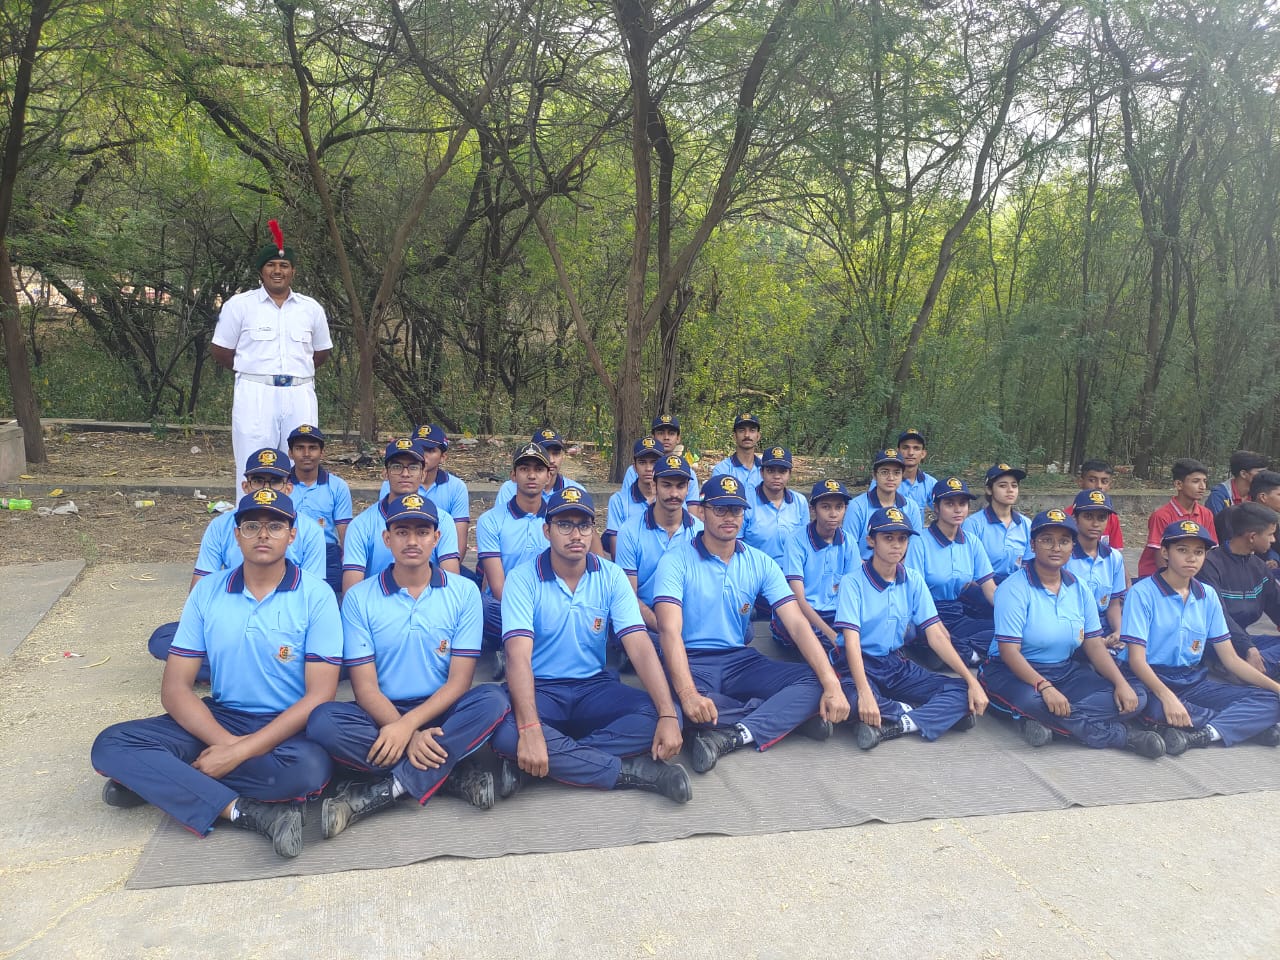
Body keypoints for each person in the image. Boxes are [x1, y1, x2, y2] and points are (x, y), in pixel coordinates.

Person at [92, 489, 341, 858]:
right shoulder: (208, 590)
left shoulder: (316, 594)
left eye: (275, 526)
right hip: (221, 717)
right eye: (252, 526)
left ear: (292, 535)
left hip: (287, 726)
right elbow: (175, 688)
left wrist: (240, 752)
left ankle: (161, 780)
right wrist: (229, 747)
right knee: (112, 744)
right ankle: (244, 811)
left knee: (307, 770)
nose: (263, 535)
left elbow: (320, 696)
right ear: (236, 534)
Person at [305, 495, 511, 838]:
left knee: (493, 700)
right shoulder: (359, 598)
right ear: (387, 539)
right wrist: (405, 731)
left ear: (436, 537)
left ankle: (387, 790)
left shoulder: (464, 593)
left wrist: (409, 729)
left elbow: (460, 682)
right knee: (323, 721)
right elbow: (365, 688)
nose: (412, 541)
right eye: (402, 532)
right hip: (382, 713)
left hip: (443, 710)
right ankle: (450, 773)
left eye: (422, 532)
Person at [491, 488, 692, 802]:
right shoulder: (522, 579)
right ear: (547, 531)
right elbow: (517, 658)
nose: (576, 534)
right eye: (564, 525)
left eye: (584, 525)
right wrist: (529, 727)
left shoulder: (611, 575)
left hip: (594, 689)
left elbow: (640, 646)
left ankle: (539, 761)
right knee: (503, 730)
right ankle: (631, 770)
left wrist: (667, 714)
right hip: (541, 689)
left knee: (668, 715)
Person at [653, 475, 850, 773]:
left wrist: (832, 685)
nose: (729, 517)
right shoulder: (675, 560)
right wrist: (689, 695)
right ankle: (781, 716)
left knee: (818, 682)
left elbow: (797, 624)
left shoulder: (759, 562)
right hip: (691, 659)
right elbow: (669, 631)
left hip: (739, 660)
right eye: (720, 509)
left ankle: (731, 733)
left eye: (736, 510)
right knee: (680, 704)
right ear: (702, 511)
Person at [978, 509, 1163, 757]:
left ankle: (1049, 722)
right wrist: (1044, 687)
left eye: (1064, 541)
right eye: (1047, 540)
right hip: (1011, 672)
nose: (1056, 548)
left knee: (1136, 695)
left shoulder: (1079, 587)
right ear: (1033, 545)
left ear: (1072, 546)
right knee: (1034, 701)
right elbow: (1009, 652)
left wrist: (1120, 683)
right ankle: (1122, 736)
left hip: (1064, 670)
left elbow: (1094, 644)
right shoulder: (1013, 589)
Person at [145, 448, 327, 671]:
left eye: (275, 482)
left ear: (289, 488)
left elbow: (312, 598)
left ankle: (229, 668)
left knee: (333, 646)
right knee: (163, 639)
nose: (266, 490)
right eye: (258, 481)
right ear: (245, 487)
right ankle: (266, 668)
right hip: (231, 618)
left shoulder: (309, 530)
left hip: (286, 624)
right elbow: (200, 589)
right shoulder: (221, 525)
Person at [1120, 519, 1280, 751]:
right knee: (1148, 705)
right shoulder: (1142, 593)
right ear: (1165, 552)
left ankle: (1205, 733)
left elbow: (1231, 659)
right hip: (1148, 678)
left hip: (1190, 680)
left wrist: (1276, 688)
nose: (1191, 558)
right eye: (1182, 550)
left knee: (1270, 700)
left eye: (1198, 552)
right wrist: (1167, 696)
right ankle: (1240, 726)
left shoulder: (1207, 595)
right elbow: (1137, 660)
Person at [836, 507, 988, 749]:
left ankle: (897, 723)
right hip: (859, 663)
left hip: (895, 664)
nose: (896, 545)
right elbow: (851, 642)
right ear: (871, 541)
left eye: (902, 538)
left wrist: (971, 680)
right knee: (850, 701)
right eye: (888, 538)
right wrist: (864, 692)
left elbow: (936, 635)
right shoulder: (852, 582)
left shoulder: (913, 579)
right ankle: (919, 712)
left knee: (963, 690)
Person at [211, 220, 333, 487]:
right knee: (253, 459)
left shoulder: (311, 308)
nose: (278, 271)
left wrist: (295, 372)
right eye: (271, 265)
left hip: (299, 392)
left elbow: (321, 352)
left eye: (284, 265)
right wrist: (253, 370)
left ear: (293, 271)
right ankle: (250, 513)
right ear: (261, 271)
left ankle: (296, 513)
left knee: (301, 461)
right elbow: (221, 350)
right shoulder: (239, 305)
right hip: (256, 393)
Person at [342, 439, 460, 595]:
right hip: (377, 602)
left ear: (423, 474)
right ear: (385, 473)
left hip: (430, 602)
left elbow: (452, 585)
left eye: (413, 467)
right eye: (397, 467)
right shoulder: (361, 525)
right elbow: (352, 592)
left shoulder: (442, 520)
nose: (405, 474)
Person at [475, 444, 554, 669]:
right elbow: (497, 586)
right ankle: (532, 647)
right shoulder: (490, 520)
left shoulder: (559, 519)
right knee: (478, 605)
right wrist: (524, 613)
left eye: (539, 469)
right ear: (513, 475)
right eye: (524, 469)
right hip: (505, 606)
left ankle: (512, 648)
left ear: (548, 476)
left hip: (550, 606)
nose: (531, 475)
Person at [905, 477, 997, 666]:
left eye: (962, 503)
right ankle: (960, 651)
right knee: (929, 635)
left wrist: (1014, 617)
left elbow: (990, 589)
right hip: (927, 614)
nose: (958, 509)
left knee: (1007, 631)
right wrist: (935, 627)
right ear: (936, 508)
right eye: (949, 504)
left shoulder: (971, 542)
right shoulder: (919, 542)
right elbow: (914, 595)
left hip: (957, 612)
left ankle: (961, 650)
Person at [615, 454, 703, 640]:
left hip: (686, 615)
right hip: (646, 617)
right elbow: (628, 595)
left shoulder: (700, 531)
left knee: (742, 629)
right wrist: (666, 630)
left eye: (680, 486)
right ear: (654, 486)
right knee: (628, 631)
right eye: (667, 485)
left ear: (688, 488)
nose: (674, 494)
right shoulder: (629, 531)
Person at [772, 479, 858, 652]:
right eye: (826, 507)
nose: (833, 514)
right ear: (813, 509)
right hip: (802, 610)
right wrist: (830, 634)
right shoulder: (796, 541)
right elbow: (798, 599)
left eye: (839, 507)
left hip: (835, 613)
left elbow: (854, 593)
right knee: (803, 633)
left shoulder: (848, 542)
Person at [1197, 502, 1280, 678]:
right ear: (1252, 537)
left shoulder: (1258, 567)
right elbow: (1218, 617)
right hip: (1215, 648)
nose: (1273, 540)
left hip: (1245, 644)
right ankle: (1240, 672)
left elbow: (1276, 604)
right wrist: (1248, 647)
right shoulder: (1209, 566)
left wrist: (1248, 646)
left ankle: (1250, 672)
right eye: (1270, 534)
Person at [376, 424, 471, 566]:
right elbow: (384, 526)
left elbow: (459, 541)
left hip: (442, 556)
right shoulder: (394, 484)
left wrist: (450, 568)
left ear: (443, 457)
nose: (423, 454)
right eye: (419, 448)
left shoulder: (457, 487)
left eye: (430, 450)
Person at [287, 424, 352, 594]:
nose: (306, 454)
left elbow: (344, 532)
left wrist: (347, 563)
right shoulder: (281, 485)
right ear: (290, 453)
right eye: (299, 448)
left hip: (327, 552)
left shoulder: (337, 486)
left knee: (327, 599)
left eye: (313, 448)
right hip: (288, 550)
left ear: (322, 453)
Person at [1064, 490, 1128, 651]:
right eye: (1088, 517)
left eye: (1101, 518)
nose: (1095, 523)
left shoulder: (1113, 557)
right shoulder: (1064, 555)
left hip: (1103, 626)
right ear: (1075, 518)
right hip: (1070, 627)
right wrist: (1093, 640)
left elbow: (1113, 603)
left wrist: (1118, 631)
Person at [1137, 458, 1216, 579]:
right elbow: (1159, 553)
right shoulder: (1161, 515)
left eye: (1204, 481)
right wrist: (1171, 582)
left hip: (1189, 575)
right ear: (1178, 484)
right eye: (1196, 481)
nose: (1202, 487)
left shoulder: (1206, 514)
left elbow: (1210, 550)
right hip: (1156, 576)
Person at [844, 448, 925, 561]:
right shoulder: (857, 506)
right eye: (884, 472)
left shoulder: (911, 507)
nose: (891, 478)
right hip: (863, 567)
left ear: (902, 476)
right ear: (874, 475)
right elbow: (849, 548)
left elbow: (914, 547)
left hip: (901, 566)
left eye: (896, 473)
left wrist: (896, 567)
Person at [962, 463, 1032, 583]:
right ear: (989, 489)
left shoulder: (1025, 524)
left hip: (1017, 585)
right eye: (1002, 486)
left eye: (1014, 485)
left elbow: (1029, 565)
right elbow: (967, 568)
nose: (1010, 490)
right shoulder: (973, 524)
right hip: (982, 586)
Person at [742, 446, 810, 567]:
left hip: (791, 570)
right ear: (761, 472)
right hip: (755, 570)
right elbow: (736, 543)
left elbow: (805, 543)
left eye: (782, 471)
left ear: (789, 474)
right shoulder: (746, 501)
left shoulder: (800, 502)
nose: (777, 476)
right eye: (770, 471)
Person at [621, 414, 702, 510]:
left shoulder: (688, 473)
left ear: (678, 438)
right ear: (653, 437)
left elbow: (693, 511)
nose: (666, 437)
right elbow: (625, 505)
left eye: (671, 433)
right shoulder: (634, 471)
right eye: (660, 433)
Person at [494, 429, 586, 506]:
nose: (551, 460)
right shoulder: (510, 489)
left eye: (556, 454)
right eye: (545, 453)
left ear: (563, 456)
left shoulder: (576, 492)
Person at [603, 437, 661, 558]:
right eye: (642, 462)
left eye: (654, 462)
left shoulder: (671, 500)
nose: (648, 468)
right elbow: (616, 552)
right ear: (634, 466)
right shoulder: (618, 501)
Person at [1067, 459, 1125, 551]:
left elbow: (1115, 551)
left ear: (1110, 485)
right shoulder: (1066, 516)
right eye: (1092, 480)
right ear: (1081, 482)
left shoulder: (1112, 517)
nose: (1099, 486)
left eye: (1104, 481)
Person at [1206, 450, 1270, 516]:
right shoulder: (1218, 496)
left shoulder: (1260, 495)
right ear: (1243, 474)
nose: (1265, 475)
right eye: (1260, 472)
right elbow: (1216, 521)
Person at [709, 413, 763, 491]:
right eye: (741, 430)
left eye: (752, 430)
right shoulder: (722, 470)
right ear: (734, 436)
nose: (747, 435)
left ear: (758, 436)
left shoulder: (766, 469)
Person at [891, 429, 938, 514]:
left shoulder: (930, 483)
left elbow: (944, 509)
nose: (910, 453)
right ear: (897, 452)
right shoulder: (884, 481)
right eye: (905, 447)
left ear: (923, 454)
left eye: (916, 448)